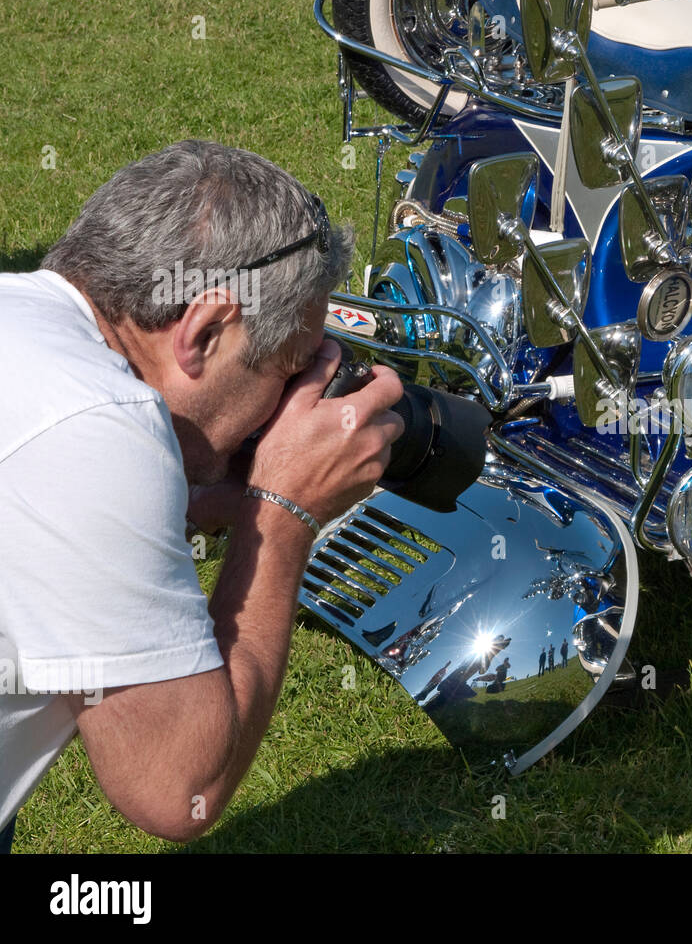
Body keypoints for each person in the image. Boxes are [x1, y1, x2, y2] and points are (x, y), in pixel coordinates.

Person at [0, 140, 405, 849]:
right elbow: (177, 787)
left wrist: (187, 501)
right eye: (288, 370)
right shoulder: (101, 429)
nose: (288, 406)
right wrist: (283, 512)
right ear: (207, 330)